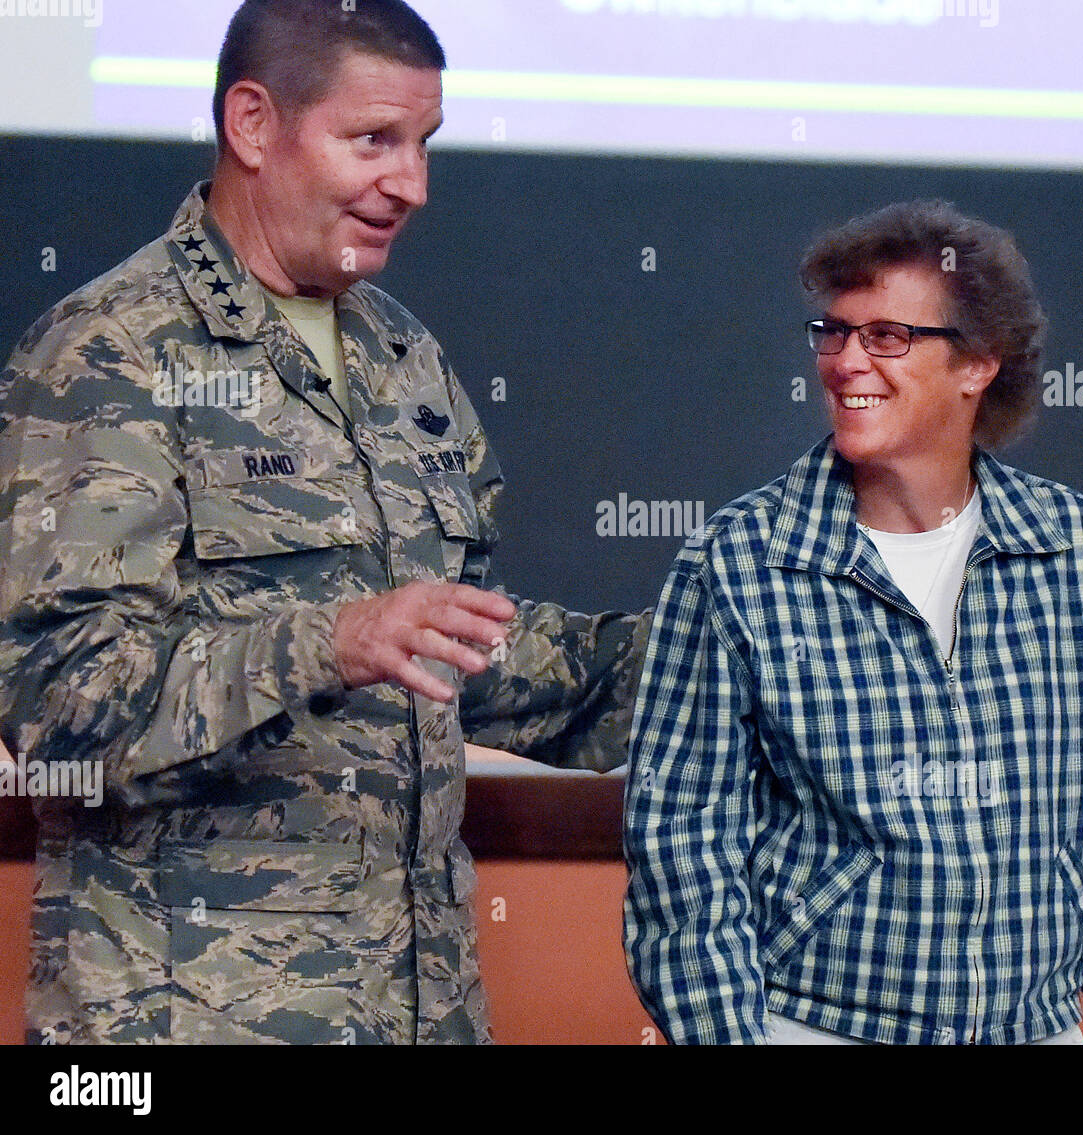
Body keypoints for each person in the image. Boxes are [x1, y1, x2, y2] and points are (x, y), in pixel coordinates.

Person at [0, 0, 647, 1045]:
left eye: (424, 145)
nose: (413, 185)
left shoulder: (406, 359)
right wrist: (330, 641)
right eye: (374, 140)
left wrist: (708, 659)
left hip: (419, 1014)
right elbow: (58, 708)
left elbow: (457, 652)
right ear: (253, 125)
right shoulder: (105, 356)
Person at [623, 199, 1083, 1045]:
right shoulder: (738, 563)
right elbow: (682, 854)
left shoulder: (1077, 552)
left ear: (978, 366)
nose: (847, 360)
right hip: (815, 1029)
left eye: (888, 335)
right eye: (835, 332)